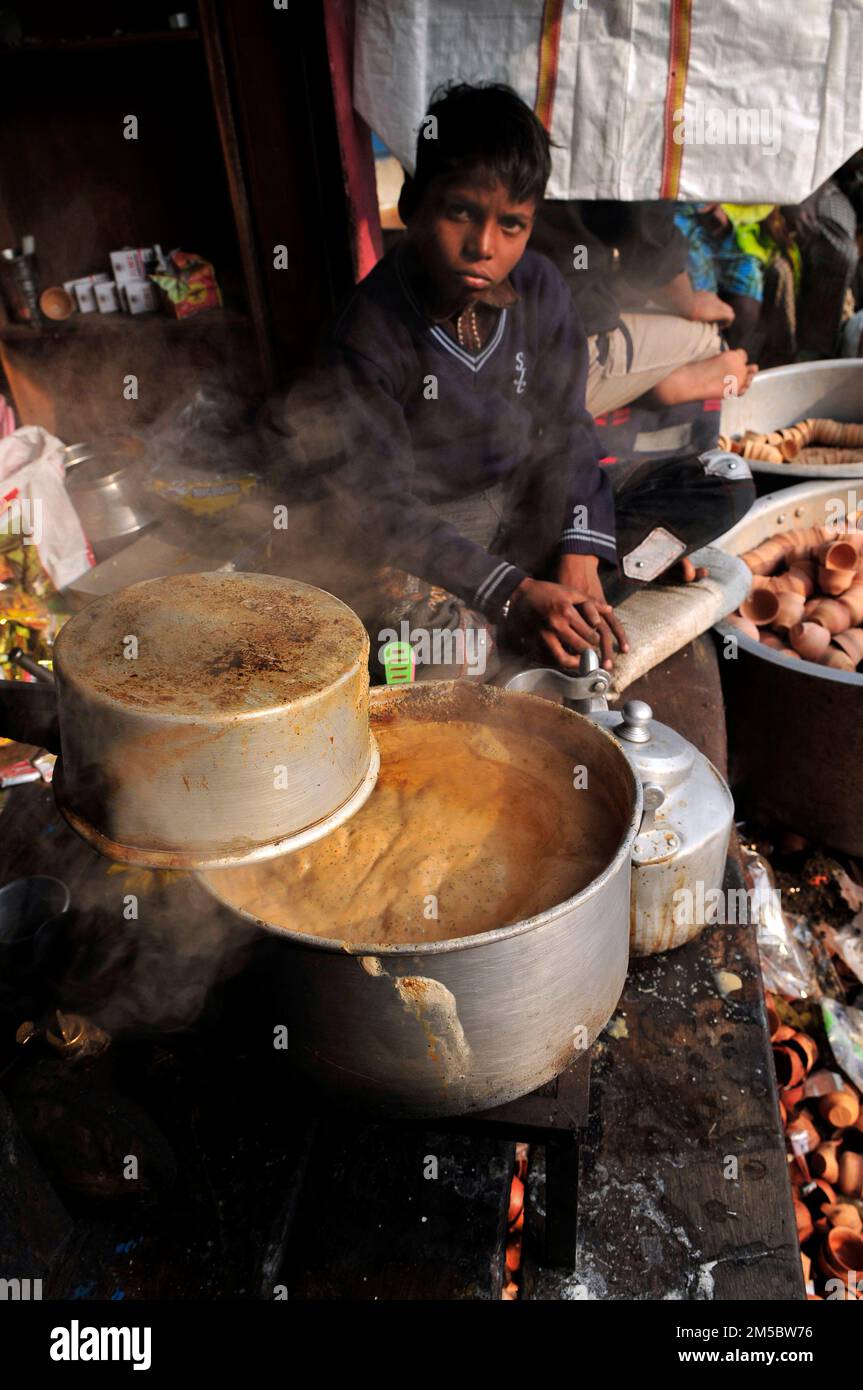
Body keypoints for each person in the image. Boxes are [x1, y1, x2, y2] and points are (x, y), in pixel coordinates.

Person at [261, 83, 756, 681]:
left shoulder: (543, 289)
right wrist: (507, 590)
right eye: (461, 212)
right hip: (434, 541)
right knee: (436, 656)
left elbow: (568, 430)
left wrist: (579, 546)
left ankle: (569, 594)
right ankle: (549, 607)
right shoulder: (368, 334)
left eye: (512, 225)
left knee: (725, 479)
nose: (483, 247)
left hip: (529, 511)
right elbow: (381, 507)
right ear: (415, 202)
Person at [530, 200, 757, 414]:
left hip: (533, 343)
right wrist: (690, 304)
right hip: (555, 365)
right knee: (713, 341)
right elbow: (649, 245)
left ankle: (650, 382)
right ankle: (668, 385)